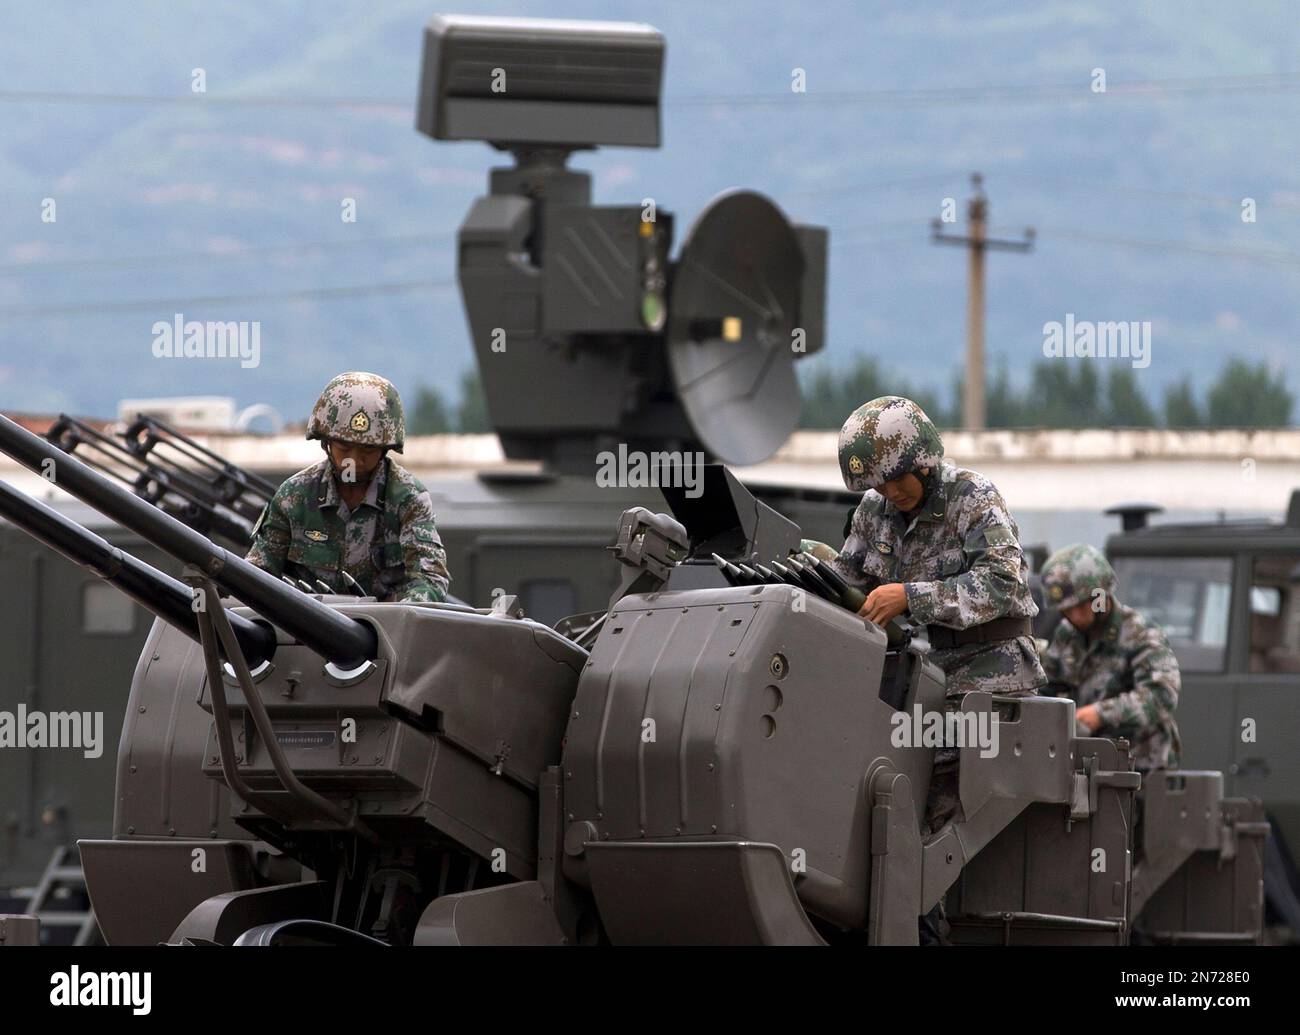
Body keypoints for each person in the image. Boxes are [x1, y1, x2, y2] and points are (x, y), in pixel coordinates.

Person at [831, 395, 1045, 943]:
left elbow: (1005, 584)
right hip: (922, 677)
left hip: (987, 673)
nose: (889, 493)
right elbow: (849, 580)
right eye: (878, 486)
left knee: (928, 816)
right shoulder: (874, 514)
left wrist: (912, 597)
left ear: (923, 461)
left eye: (897, 479)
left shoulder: (972, 498)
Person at [246, 372, 451, 602]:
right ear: (326, 443)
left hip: (388, 633)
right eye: (344, 447)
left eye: (367, 450)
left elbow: (430, 579)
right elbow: (257, 576)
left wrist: (400, 615)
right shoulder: (294, 497)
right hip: (303, 633)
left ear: (385, 449)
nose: (354, 461)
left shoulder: (408, 498)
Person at [1039, 543, 1181, 773]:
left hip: (1142, 769)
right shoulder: (1067, 635)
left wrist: (1101, 714)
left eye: (1080, 605)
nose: (1075, 615)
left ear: (1100, 594)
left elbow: (1162, 695)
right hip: (1088, 767)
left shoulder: (1140, 634)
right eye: (1066, 609)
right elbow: (1048, 687)